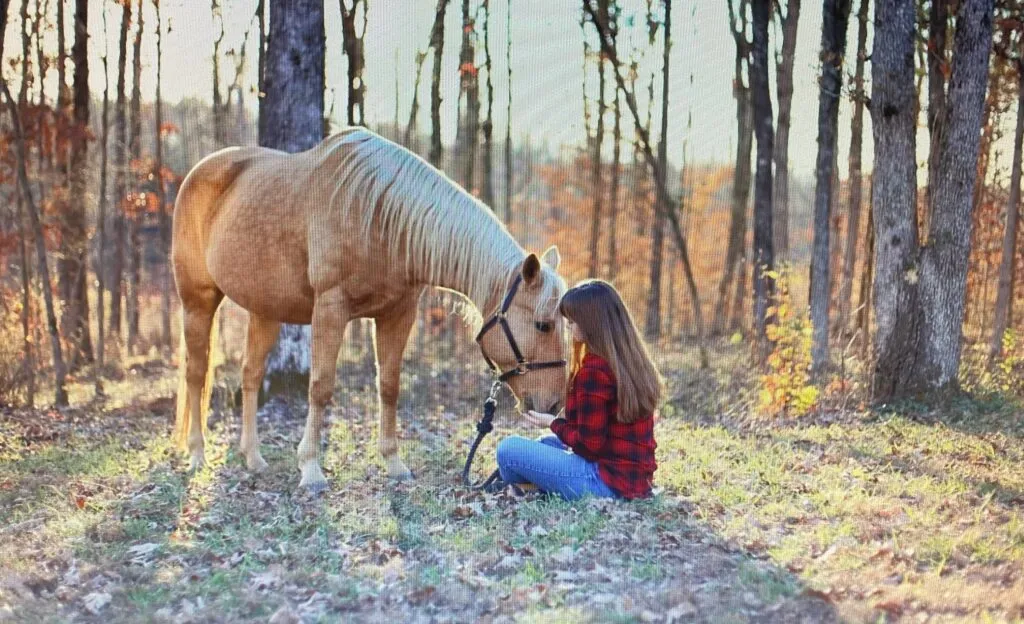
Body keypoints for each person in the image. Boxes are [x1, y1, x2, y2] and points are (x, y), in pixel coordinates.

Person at [495, 279, 664, 501]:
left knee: (508, 450)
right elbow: (600, 436)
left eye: (572, 322)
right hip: (633, 479)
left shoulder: (595, 370)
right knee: (546, 444)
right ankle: (536, 484)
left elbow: (589, 446)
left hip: (603, 482)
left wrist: (552, 423)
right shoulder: (632, 362)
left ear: (591, 324)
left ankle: (533, 487)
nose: (569, 328)